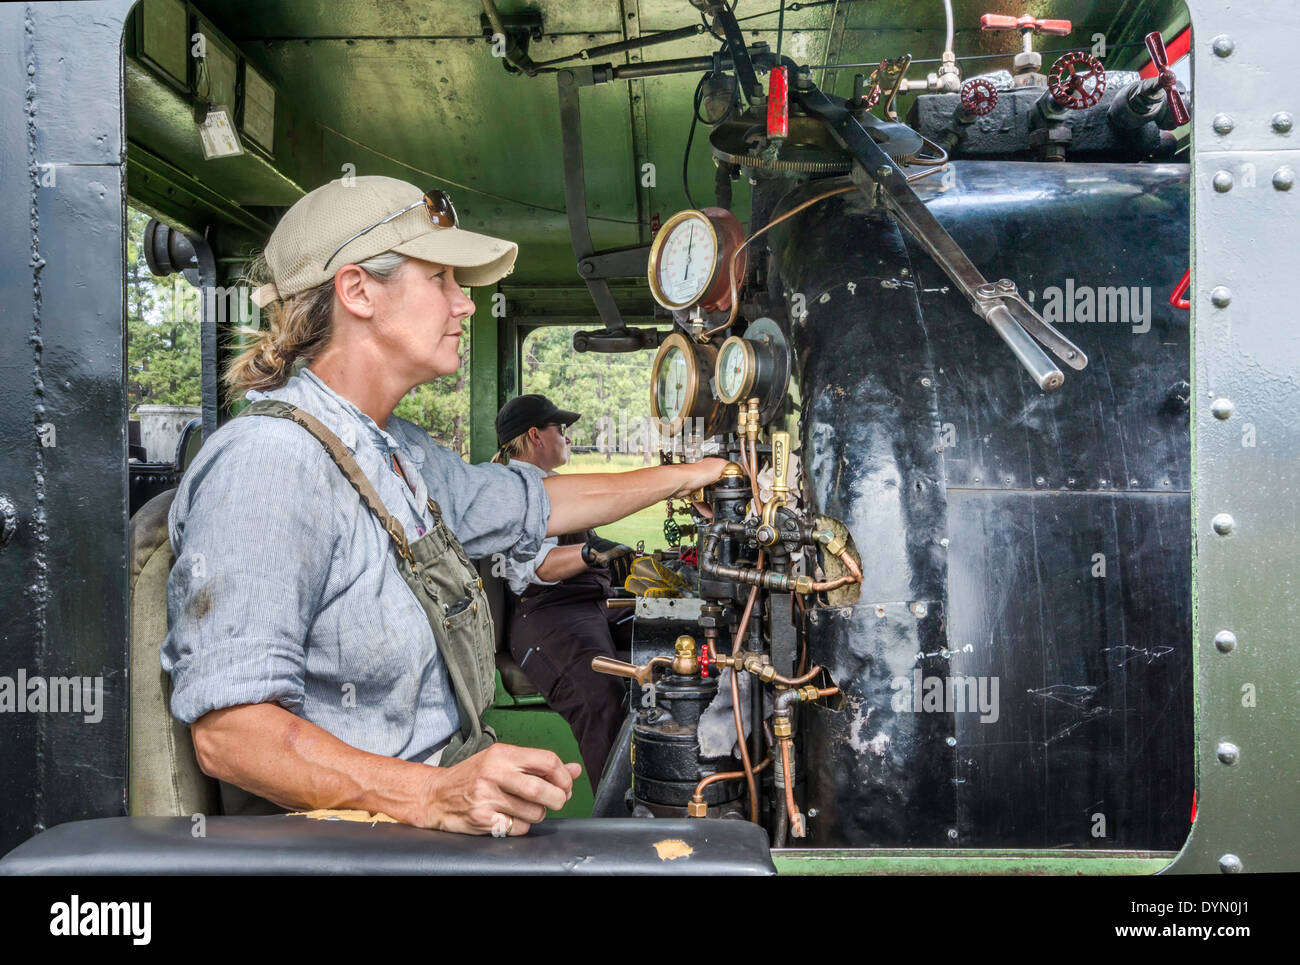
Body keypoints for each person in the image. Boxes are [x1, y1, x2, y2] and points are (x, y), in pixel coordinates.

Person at [160, 175, 728, 836]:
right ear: (358, 290)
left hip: (431, 815)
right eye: (442, 280)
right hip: (352, 845)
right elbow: (232, 734)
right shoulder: (271, 463)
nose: (464, 305)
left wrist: (693, 475)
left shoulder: (399, 453)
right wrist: (433, 793)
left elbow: (534, 502)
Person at [492, 394, 636, 787]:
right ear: (536, 435)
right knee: (600, 699)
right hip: (546, 616)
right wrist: (590, 553)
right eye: (561, 429)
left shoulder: (549, 485)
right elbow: (536, 567)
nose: (568, 437)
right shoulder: (518, 491)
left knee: (662, 642)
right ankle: (618, 823)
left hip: (586, 606)